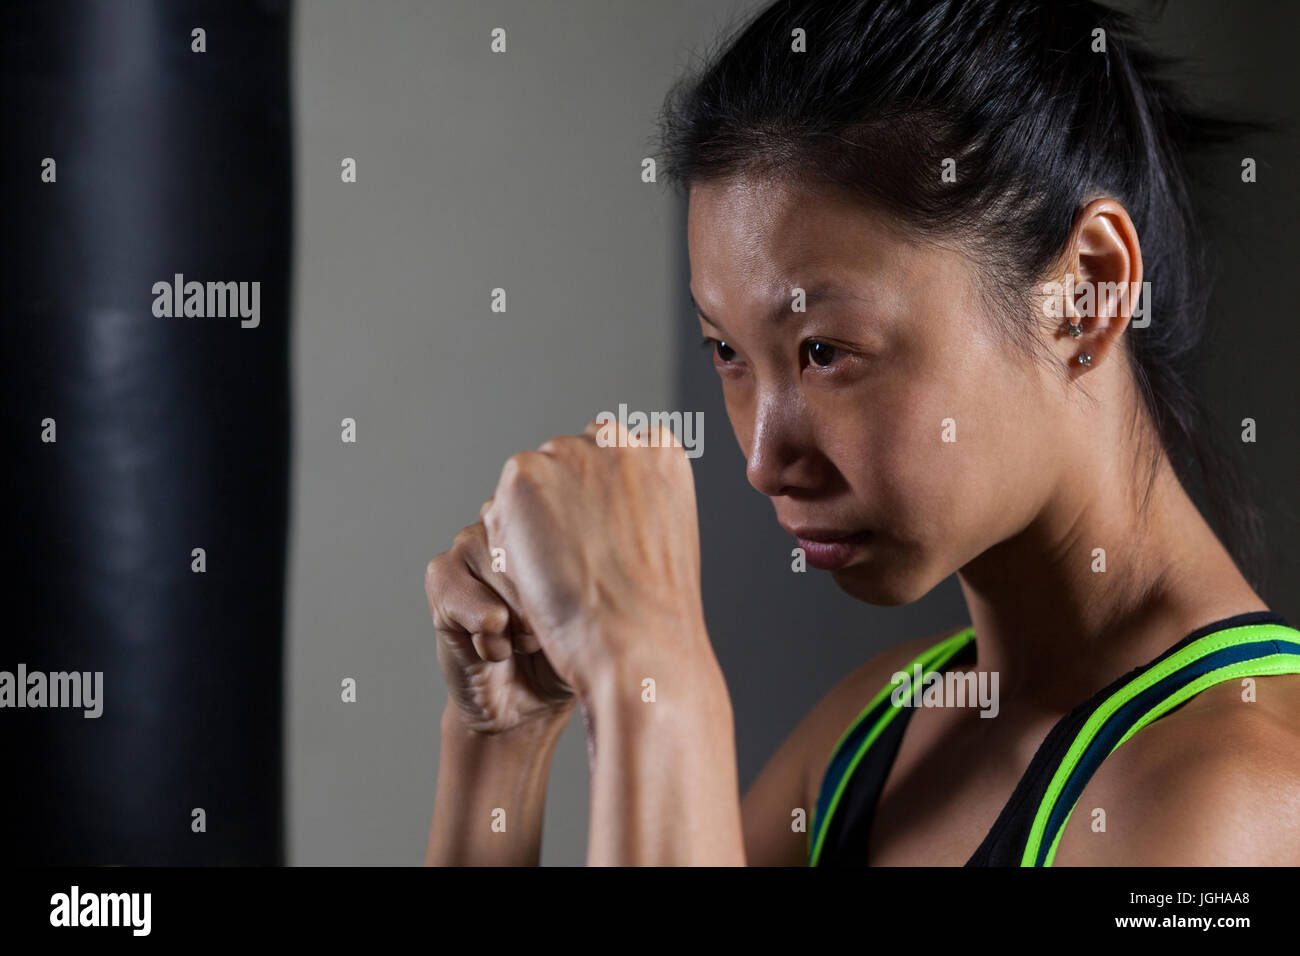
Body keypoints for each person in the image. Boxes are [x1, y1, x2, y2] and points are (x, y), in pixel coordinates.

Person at [422, 0, 1300, 866]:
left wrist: (650, 677)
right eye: (726, 350)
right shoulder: (868, 739)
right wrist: (500, 741)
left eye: (824, 351)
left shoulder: (1242, 791)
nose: (764, 461)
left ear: (1087, 293)